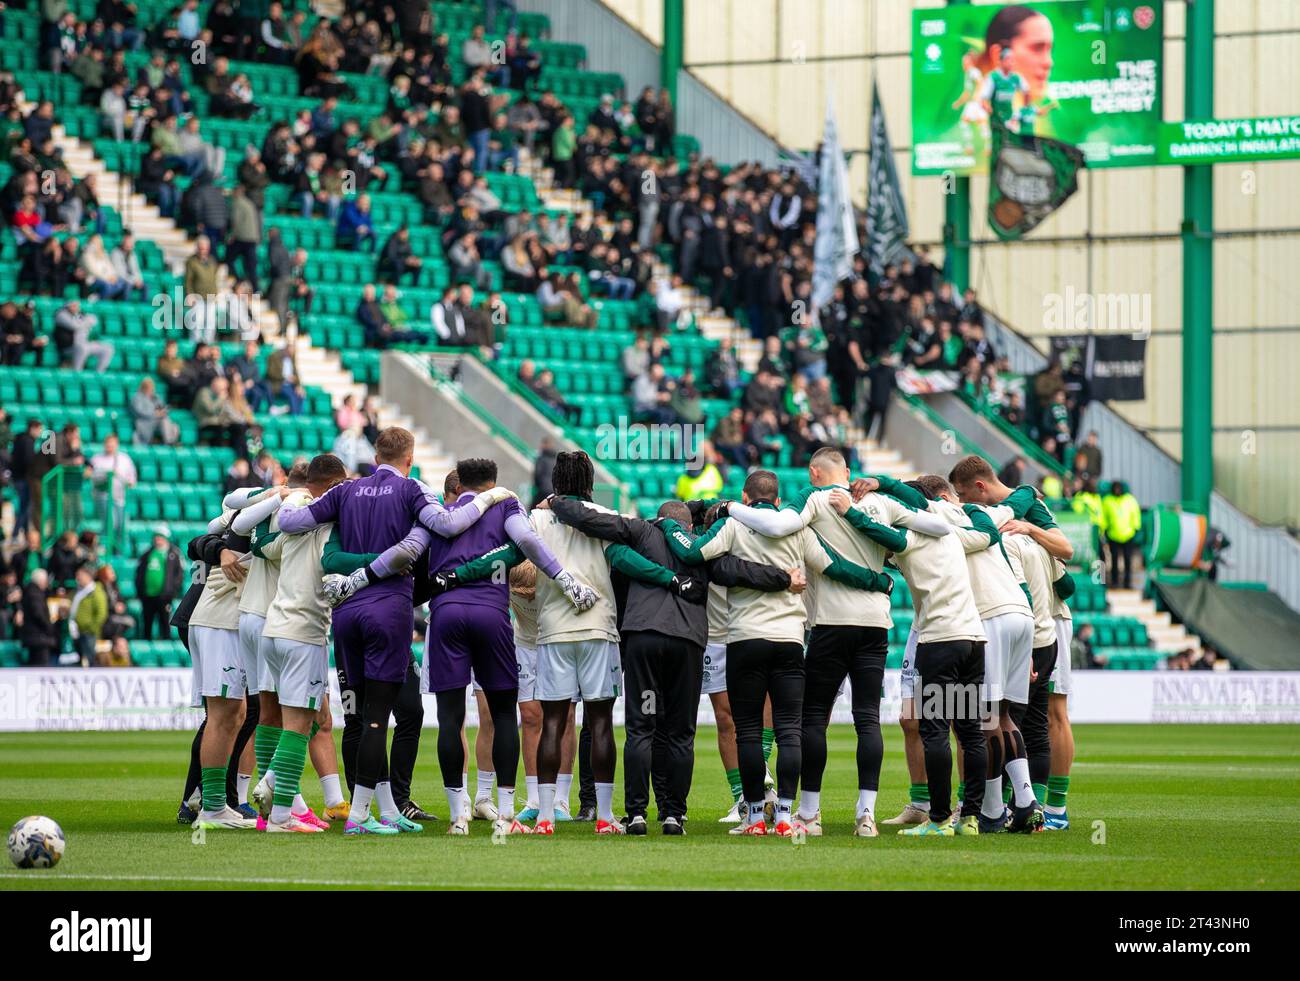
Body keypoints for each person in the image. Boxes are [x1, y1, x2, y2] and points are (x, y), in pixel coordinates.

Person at [274, 428, 519, 835]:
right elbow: (448, 524)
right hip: (387, 611)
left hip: (345, 617)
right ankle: (359, 817)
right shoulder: (411, 491)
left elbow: (293, 522)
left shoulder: (346, 493)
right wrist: (493, 497)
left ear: (374, 455)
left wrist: (280, 495)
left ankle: (385, 809)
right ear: (410, 457)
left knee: (357, 718)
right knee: (376, 720)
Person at [721, 449, 951, 837]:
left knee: (812, 720)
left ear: (814, 472)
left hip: (829, 624)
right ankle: (866, 815)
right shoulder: (879, 501)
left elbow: (778, 527)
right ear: (847, 472)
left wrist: (729, 508)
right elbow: (941, 528)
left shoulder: (814, 499)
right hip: (876, 625)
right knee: (867, 718)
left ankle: (809, 814)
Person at [664, 469, 895, 837]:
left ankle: (755, 817)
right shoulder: (798, 530)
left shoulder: (732, 526)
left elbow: (693, 552)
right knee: (789, 731)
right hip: (789, 640)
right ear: (778, 500)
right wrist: (877, 580)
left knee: (749, 732)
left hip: (745, 639)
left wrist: (668, 527)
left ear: (744, 495)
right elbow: (836, 567)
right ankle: (787, 815)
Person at [134, 525, 184, 641]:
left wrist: (172, 591)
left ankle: (166, 642)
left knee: (165, 623)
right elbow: (139, 573)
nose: (157, 540)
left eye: (160, 537)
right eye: (156, 537)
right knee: (147, 623)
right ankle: (146, 643)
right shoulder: (147, 554)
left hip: (165, 597)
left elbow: (179, 575)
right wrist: (140, 590)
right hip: (148, 596)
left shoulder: (174, 554)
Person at [88, 432, 137, 538]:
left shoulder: (125, 459)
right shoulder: (97, 459)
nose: (110, 446)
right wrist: (106, 476)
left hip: (121, 497)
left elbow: (131, 477)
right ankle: (105, 548)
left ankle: (119, 553)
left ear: (117, 444)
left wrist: (130, 482)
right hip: (103, 495)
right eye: (108, 444)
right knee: (110, 524)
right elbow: (92, 476)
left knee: (122, 526)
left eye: (112, 444)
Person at [1101, 480, 1141, 590]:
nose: (1117, 491)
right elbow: (1103, 516)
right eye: (1115, 488)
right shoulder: (1107, 501)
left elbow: (1135, 514)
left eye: (1119, 488)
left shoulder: (1130, 500)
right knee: (1113, 560)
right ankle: (1114, 582)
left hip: (1128, 535)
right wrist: (1104, 530)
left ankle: (1127, 583)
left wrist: (1136, 528)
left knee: (1128, 559)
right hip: (1113, 535)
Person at [20, 569, 56, 666]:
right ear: (41, 581)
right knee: (40, 666)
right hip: (39, 637)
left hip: (34, 637)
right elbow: (38, 614)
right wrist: (49, 627)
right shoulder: (35, 594)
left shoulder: (31, 591)